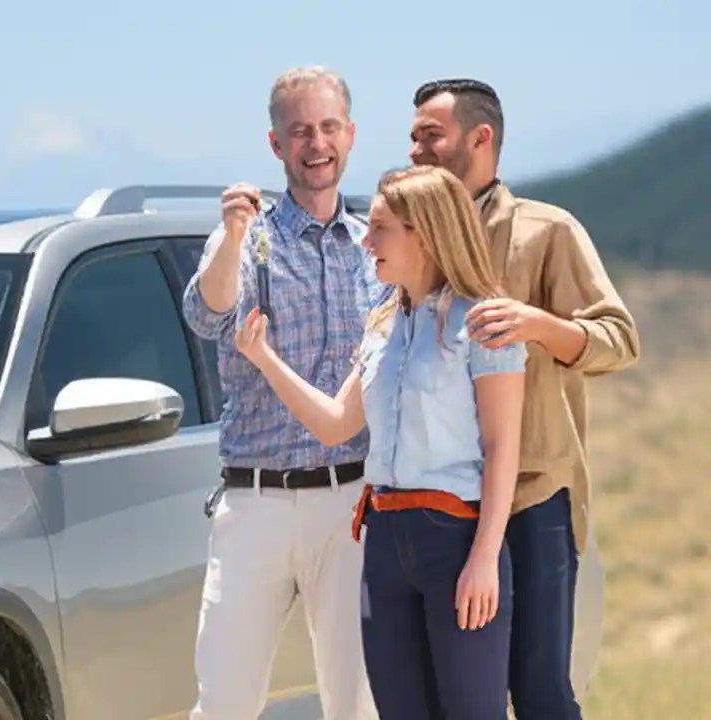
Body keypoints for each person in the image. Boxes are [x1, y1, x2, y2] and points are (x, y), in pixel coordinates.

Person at [235, 164, 527, 719]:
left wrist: (485, 557)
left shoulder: (483, 323)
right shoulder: (381, 327)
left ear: (425, 233)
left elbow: (502, 446)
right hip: (384, 541)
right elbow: (335, 424)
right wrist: (262, 357)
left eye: (380, 229)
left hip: (456, 540)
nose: (366, 242)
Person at [408, 78, 641, 719]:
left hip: (532, 499)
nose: (417, 150)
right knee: (454, 697)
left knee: (539, 693)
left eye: (431, 136)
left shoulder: (548, 231)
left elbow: (619, 340)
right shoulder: (409, 238)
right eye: (413, 137)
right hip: (439, 505)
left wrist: (536, 323)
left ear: (481, 139)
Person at [181, 66, 381, 720]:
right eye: (299, 131)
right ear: (276, 144)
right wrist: (232, 235)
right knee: (226, 702)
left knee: (358, 703)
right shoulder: (246, 238)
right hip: (255, 502)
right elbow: (206, 314)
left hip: (351, 502)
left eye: (328, 127)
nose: (315, 143)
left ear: (349, 134)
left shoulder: (375, 249)